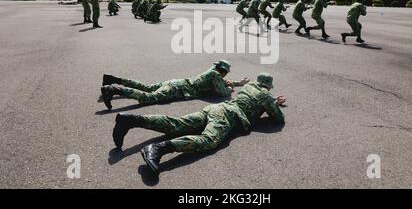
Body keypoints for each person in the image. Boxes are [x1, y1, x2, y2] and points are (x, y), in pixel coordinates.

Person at [111, 73, 287, 178]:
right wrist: (273, 103)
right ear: (268, 86)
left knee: (177, 124)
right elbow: (278, 118)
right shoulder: (265, 94)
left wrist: (270, 102)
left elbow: (252, 99)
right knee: (210, 140)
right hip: (228, 115)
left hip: (216, 108)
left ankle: (131, 120)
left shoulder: (248, 87)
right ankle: (158, 149)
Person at [100, 60, 250, 110]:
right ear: (223, 71)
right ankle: (113, 89)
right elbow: (223, 92)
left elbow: (223, 83)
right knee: (149, 98)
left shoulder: (212, 72)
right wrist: (231, 89)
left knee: (146, 88)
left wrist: (239, 83)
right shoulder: (216, 75)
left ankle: (113, 79)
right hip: (177, 89)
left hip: (175, 82)